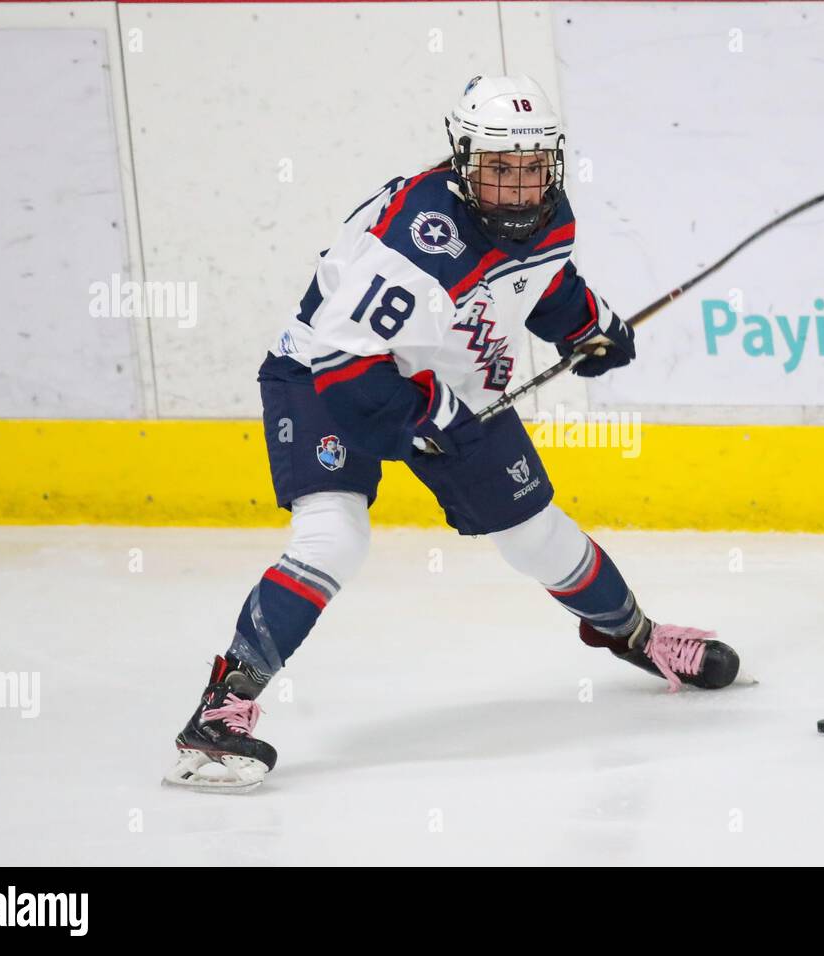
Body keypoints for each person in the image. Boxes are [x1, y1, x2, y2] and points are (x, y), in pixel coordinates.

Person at [164, 75, 740, 793]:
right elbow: (349, 369)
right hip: (323, 376)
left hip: (452, 385)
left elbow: (539, 284)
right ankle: (220, 712)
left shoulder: (551, 216)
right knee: (334, 537)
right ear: (464, 160)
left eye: (533, 168)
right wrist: (427, 415)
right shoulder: (415, 240)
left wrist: (588, 326)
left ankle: (637, 637)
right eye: (500, 168)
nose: (519, 187)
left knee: (537, 532)